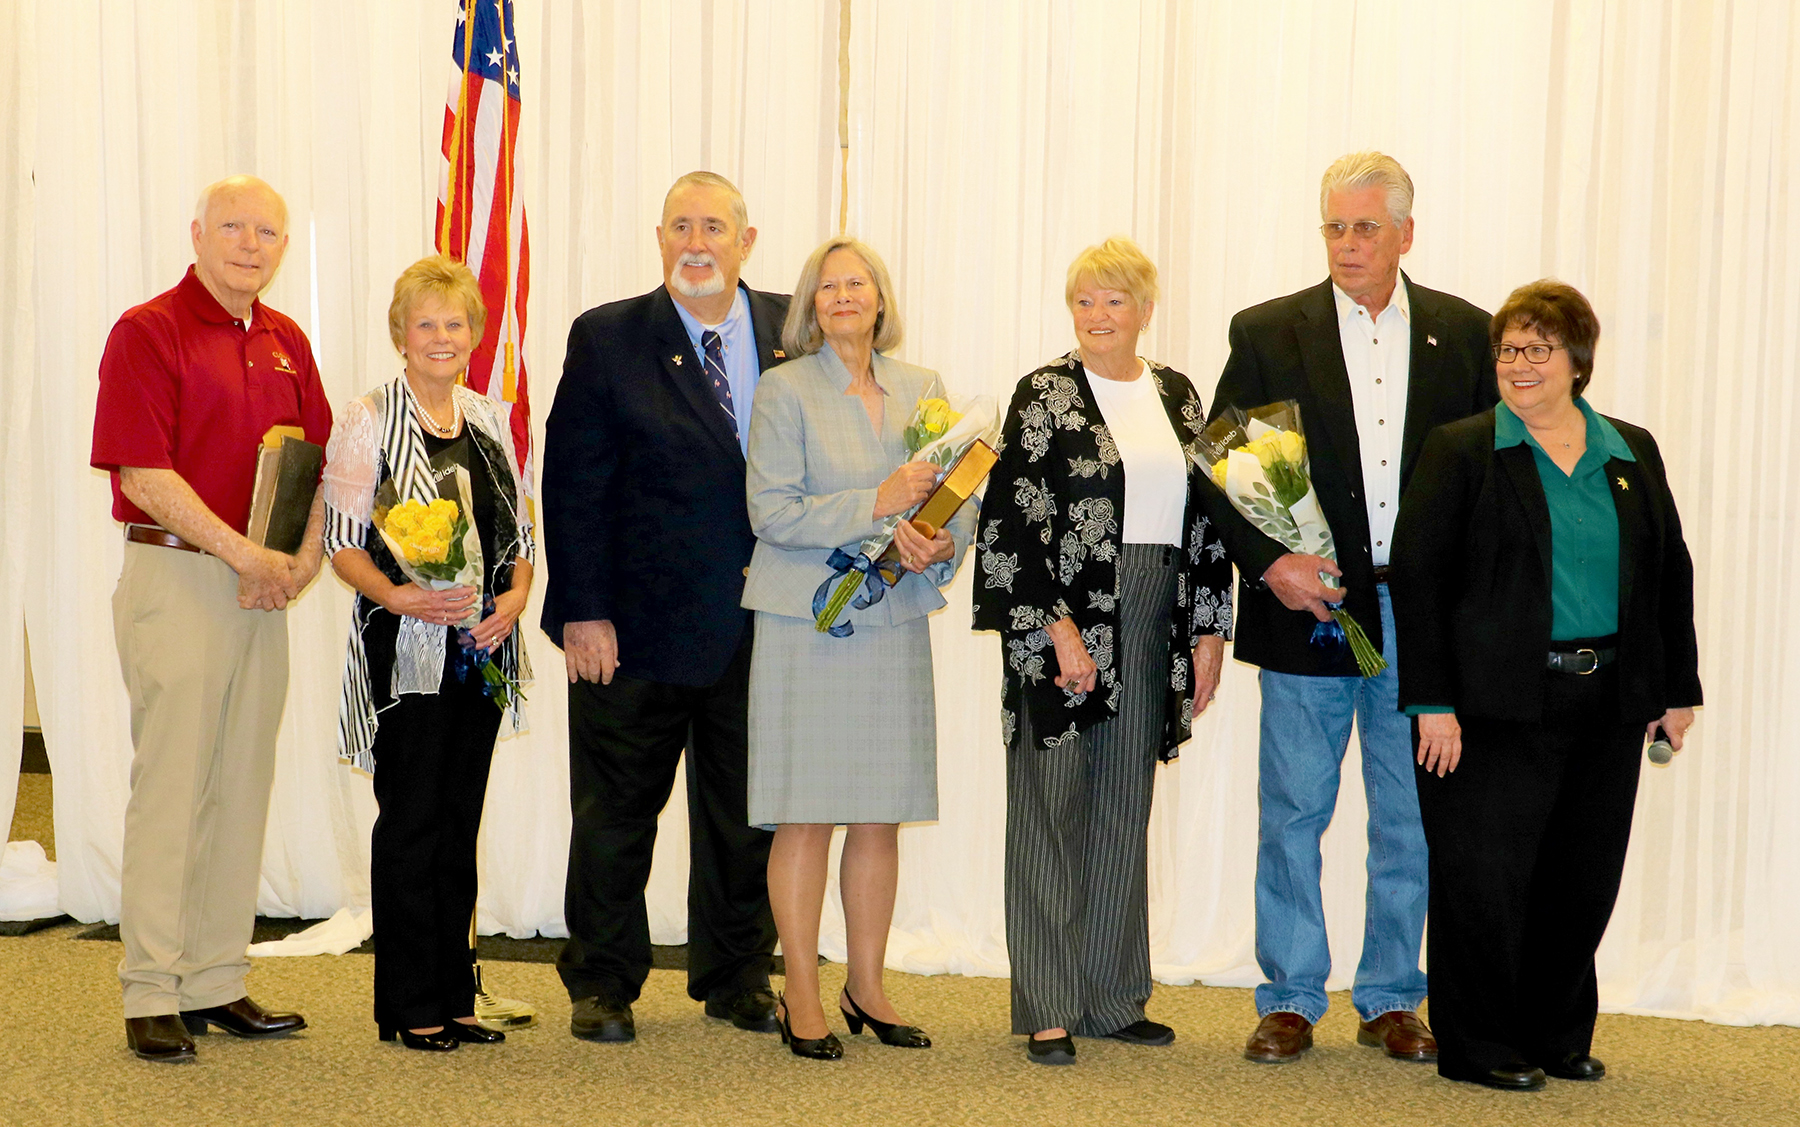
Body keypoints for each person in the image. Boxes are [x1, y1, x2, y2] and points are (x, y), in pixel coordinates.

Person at [1200, 152, 1496, 1066]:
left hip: (1421, 617)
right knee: (1293, 808)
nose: (1347, 243)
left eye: (1366, 227)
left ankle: (1392, 996)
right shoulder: (1266, 330)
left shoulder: (1468, 334)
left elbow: (1490, 481)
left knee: (1407, 812)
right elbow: (1217, 461)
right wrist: (1269, 563)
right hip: (1308, 607)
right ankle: (1290, 994)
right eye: (1334, 226)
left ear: (1407, 232)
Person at [1391, 280, 1701, 1091]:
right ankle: (1482, 1043)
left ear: (1577, 361)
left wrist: (1678, 686)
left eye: (1538, 349)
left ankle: (1557, 1033)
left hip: (1609, 701)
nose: (1519, 365)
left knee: (1580, 878)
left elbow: (1669, 572)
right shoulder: (1462, 449)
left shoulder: (1629, 449)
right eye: (1508, 350)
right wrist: (1432, 701)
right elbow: (1419, 582)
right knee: (1485, 882)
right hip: (1491, 707)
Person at [971, 237, 1233, 1066]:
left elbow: (1211, 518)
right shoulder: (1044, 393)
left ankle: (1113, 997)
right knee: (1051, 809)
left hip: (1156, 609)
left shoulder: (1178, 394)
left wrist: (1209, 627)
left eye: (1113, 300)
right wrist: (1057, 629)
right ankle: (1048, 1004)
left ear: (1145, 309)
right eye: (1083, 300)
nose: (1096, 316)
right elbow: (1009, 521)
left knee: (1124, 808)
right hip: (1063, 616)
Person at [541, 171, 785, 1042]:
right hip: (631, 629)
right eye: (680, 224)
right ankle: (602, 980)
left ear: (745, 240)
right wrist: (581, 610)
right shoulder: (608, 336)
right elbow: (572, 483)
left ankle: (737, 973)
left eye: (713, 225)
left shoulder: (793, 328)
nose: (696, 242)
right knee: (613, 818)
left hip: (764, 625)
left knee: (746, 817)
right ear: (658, 238)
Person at [91, 175, 329, 1062]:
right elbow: (141, 473)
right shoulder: (148, 330)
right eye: (233, 225)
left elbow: (320, 464)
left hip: (263, 593)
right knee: (173, 788)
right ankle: (152, 985)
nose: (250, 242)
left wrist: (301, 564)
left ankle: (216, 979)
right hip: (181, 580)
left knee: (239, 785)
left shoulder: (286, 340)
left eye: (268, 230)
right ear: (196, 230)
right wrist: (244, 555)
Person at [742, 236, 974, 1060]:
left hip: (894, 618)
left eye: (858, 283)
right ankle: (800, 993)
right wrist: (875, 503)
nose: (844, 295)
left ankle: (866, 985)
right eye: (828, 285)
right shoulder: (782, 389)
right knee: (804, 813)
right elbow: (771, 511)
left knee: (880, 813)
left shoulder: (924, 389)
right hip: (806, 619)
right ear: (810, 305)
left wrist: (939, 542)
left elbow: (958, 499)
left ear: (881, 299)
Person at [321, 255, 534, 1052]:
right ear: (401, 335)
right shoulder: (369, 417)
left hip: (480, 653)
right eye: (426, 323)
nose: (441, 337)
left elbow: (518, 532)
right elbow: (345, 543)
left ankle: (457, 992)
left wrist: (515, 596)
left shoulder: (487, 415)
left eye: (455, 323)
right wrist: (405, 596)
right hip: (405, 652)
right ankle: (410, 1002)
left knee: (458, 819)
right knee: (410, 822)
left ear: (473, 334)